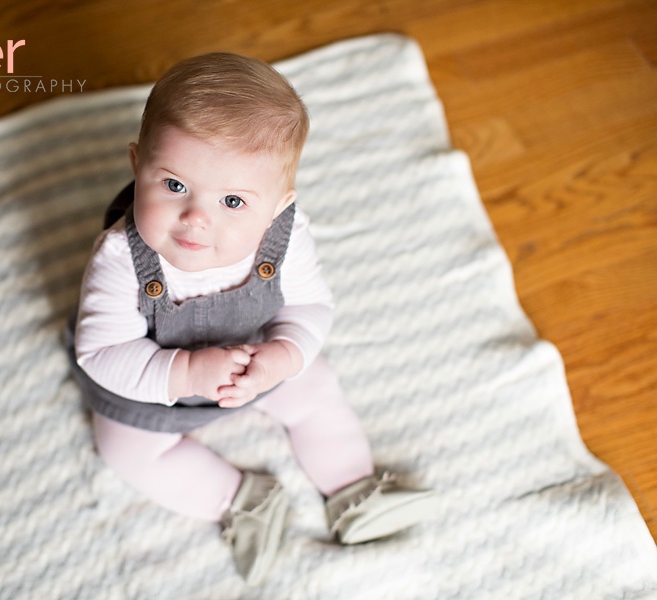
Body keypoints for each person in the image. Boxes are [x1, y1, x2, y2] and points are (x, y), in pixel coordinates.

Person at [67, 52, 438, 584]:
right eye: (174, 185)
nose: (197, 218)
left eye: (234, 201)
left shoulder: (285, 237)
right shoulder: (121, 258)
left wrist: (283, 355)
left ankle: (352, 487)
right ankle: (240, 500)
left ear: (277, 206)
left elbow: (310, 306)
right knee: (124, 450)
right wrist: (186, 374)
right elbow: (102, 353)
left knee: (317, 388)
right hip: (154, 378)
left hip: (253, 355)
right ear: (136, 164)